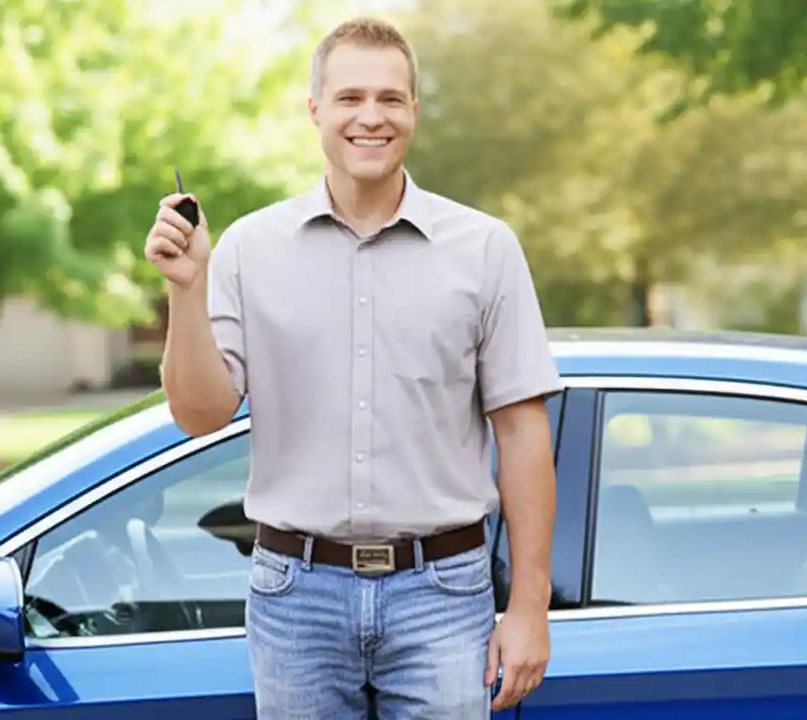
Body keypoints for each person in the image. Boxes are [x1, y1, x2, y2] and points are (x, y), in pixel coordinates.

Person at [143, 15, 561, 720]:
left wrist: (529, 607)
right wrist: (188, 289)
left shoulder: (485, 249)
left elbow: (522, 436)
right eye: (350, 98)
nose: (372, 117)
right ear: (315, 111)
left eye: (391, 99)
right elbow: (200, 412)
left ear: (415, 111)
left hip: (444, 596)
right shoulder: (248, 250)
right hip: (294, 598)